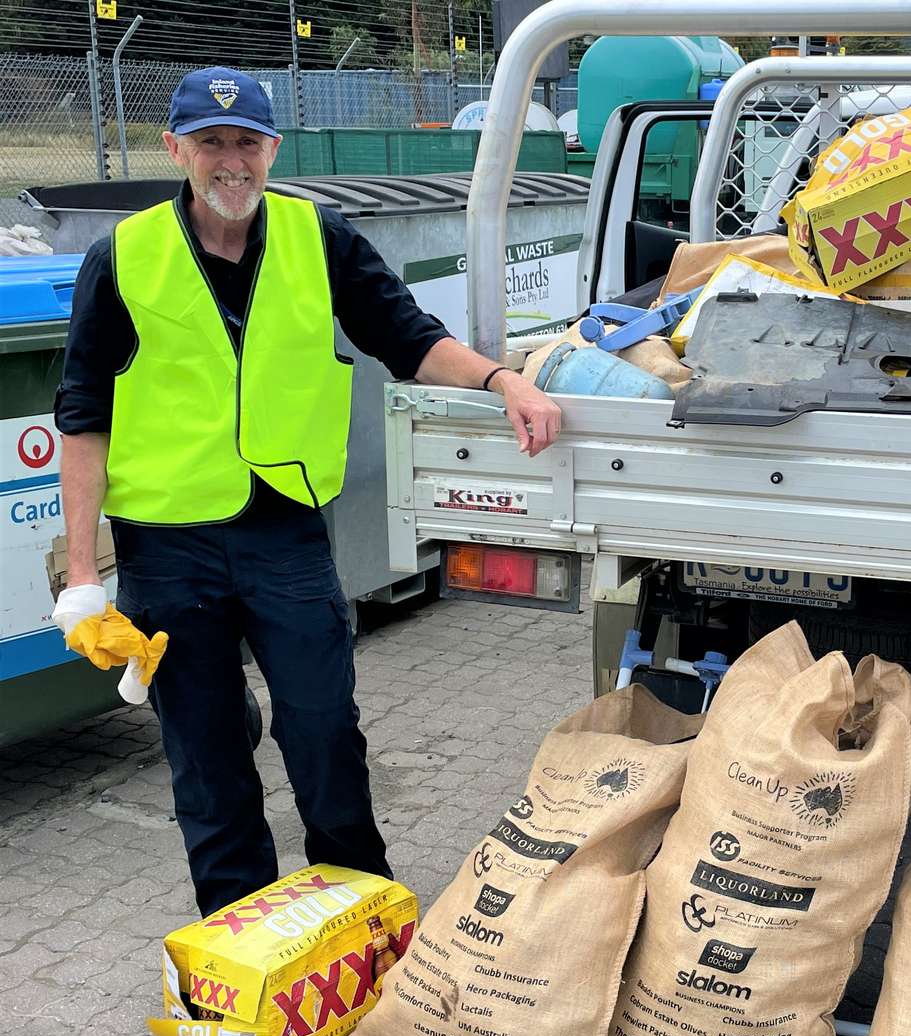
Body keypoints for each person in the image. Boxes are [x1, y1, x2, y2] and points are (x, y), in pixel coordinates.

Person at [52, 66, 562, 916]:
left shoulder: (317, 239)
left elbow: (407, 338)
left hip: (284, 529)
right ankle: (238, 930)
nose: (231, 162)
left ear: (271, 150)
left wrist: (503, 380)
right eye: (210, 143)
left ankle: (362, 908)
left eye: (247, 142)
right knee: (206, 753)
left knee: (323, 728)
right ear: (175, 148)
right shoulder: (124, 257)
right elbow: (82, 417)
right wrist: (79, 574)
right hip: (165, 545)